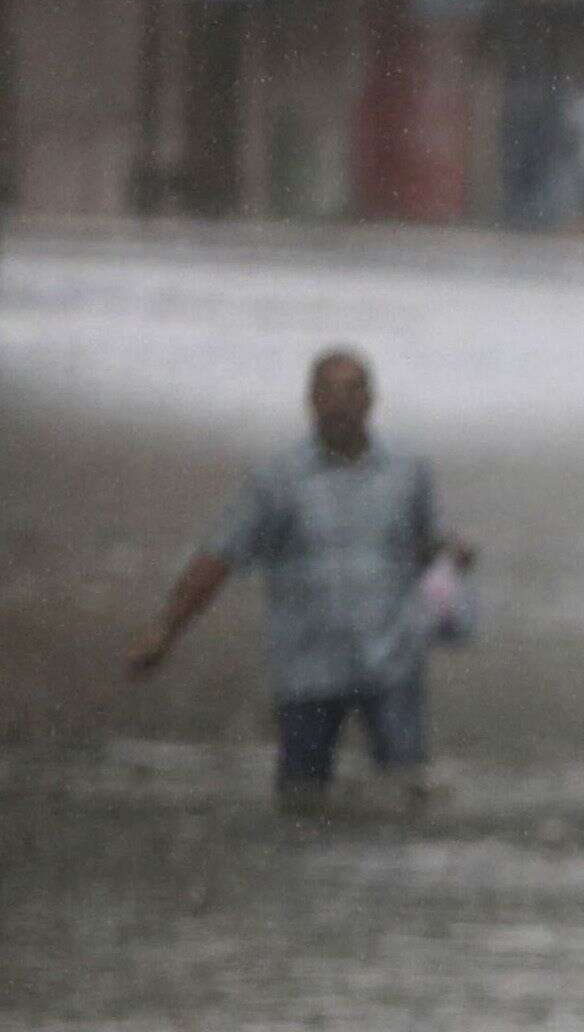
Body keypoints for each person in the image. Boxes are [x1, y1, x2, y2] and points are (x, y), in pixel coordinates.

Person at [131, 345, 475, 809]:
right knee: (301, 800)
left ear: (372, 400)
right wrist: (166, 630)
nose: (341, 404)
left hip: (391, 658)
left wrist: (451, 555)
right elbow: (219, 557)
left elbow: (422, 546)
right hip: (307, 665)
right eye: (329, 392)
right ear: (310, 400)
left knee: (406, 790)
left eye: (353, 391)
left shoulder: (408, 472)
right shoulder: (277, 479)